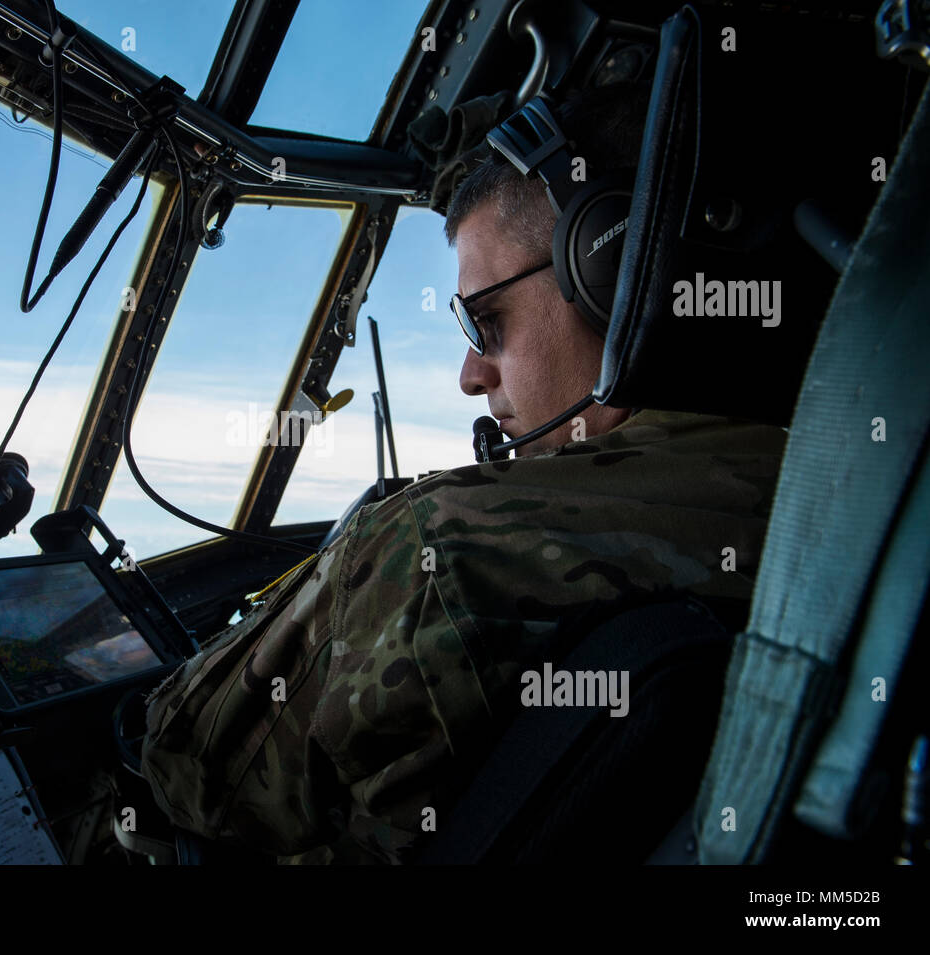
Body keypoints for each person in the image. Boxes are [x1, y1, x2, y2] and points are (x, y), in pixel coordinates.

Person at [138, 86, 787, 864]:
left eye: (488, 322)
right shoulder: (827, 490)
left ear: (613, 272)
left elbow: (176, 756)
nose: (470, 374)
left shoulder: (435, 547)